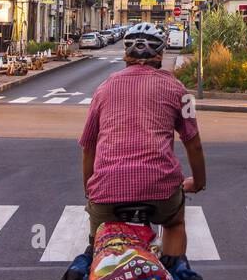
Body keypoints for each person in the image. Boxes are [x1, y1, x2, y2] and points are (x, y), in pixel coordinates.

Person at [79, 22, 206, 258]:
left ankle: (101, 276)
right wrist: (198, 182)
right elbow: (193, 142)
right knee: (174, 224)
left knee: (98, 243)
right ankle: (174, 274)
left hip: (108, 190)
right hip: (161, 188)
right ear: (160, 54)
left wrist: (90, 189)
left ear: (126, 54)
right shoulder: (178, 89)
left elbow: (88, 147)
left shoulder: (103, 89)